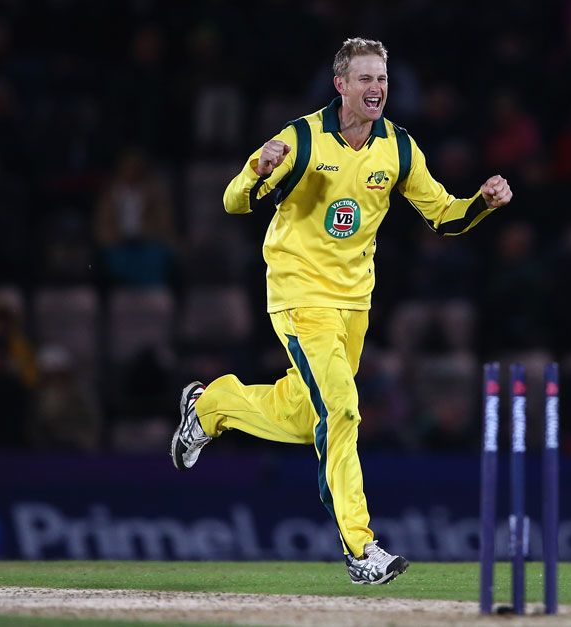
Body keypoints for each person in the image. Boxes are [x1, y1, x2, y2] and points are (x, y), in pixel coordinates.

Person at [170, 38, 512, 584]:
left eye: (383, 79)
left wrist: (481, 203)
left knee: (313, 419)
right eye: (366, 79)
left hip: (355, 303)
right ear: (341, 86)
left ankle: (211, 406)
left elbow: (443, 216)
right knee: (344, 408)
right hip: (300, 295)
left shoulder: (398, 148)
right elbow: (235, 200)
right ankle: (360, 546)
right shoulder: (302, 138)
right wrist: (260, 168)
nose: (377, 89)